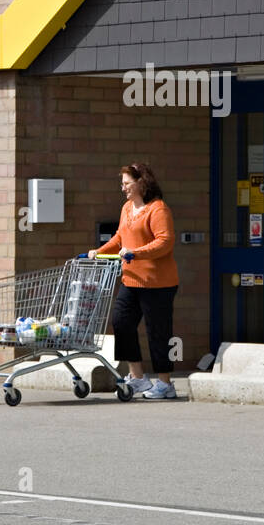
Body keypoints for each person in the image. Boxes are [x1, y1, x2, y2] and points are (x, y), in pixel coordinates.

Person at [90, 162, 179, 400]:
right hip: (131, 280)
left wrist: (136, 253)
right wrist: (100, 251)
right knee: (121, 322)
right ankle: (138, 377)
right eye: (122, 184)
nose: (123, 188)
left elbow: (165, 242)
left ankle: (166, 383)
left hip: (158, 283)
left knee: (159, 332)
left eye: (127, 183)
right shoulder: (127, 208)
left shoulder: (158, 209)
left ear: (141, 182)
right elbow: (120, 237)